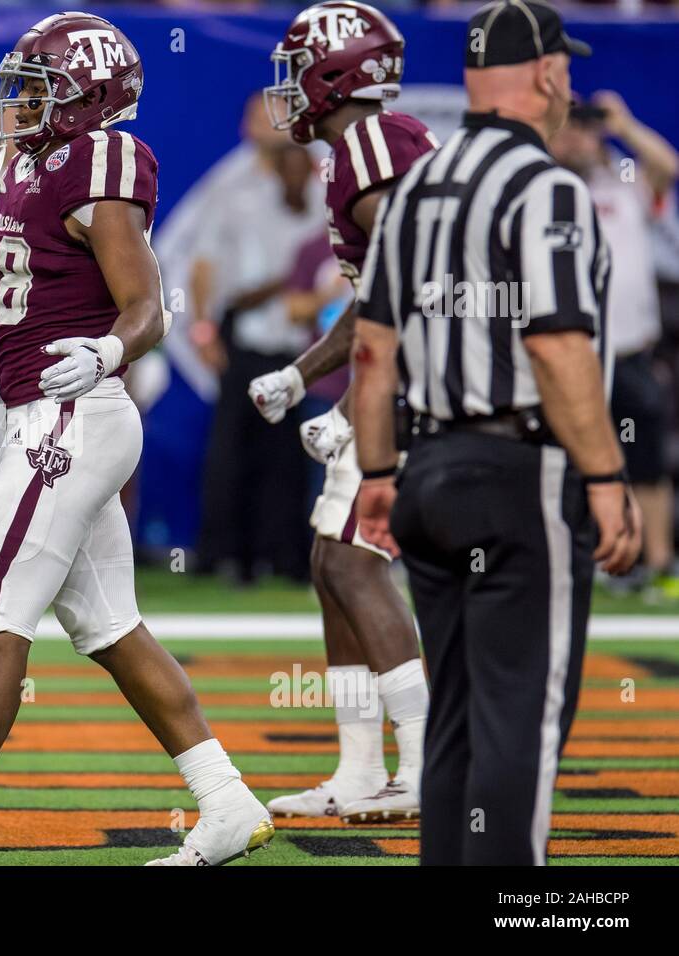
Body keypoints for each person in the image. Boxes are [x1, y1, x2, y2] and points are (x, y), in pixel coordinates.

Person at [0, 12, 273, 868]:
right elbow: (13, 315)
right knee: (112, 627)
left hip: (73, 416)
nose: (20, 104)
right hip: (52, 415)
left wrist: (110, 347)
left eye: (40, 88)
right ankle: (227, 802)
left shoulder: (100, 160)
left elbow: (147, 304)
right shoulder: (29, 167)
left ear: (92, 96)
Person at [351, 0, 641, 865]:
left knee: (458, 720)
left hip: (426, 468)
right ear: (548, 73)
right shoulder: (549, 187)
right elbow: (555, 345)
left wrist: (378, 472)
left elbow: (371, 351)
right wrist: (604, 475)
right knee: (522, 719)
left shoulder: (412, 193)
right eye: (568, 71)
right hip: (520, 474)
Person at [249, 1, 435, 824]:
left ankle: (430, 766)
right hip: (402, 375)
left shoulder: (369, 147)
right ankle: (361, 769)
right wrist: (299, 373)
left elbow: (413, 291)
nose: (287, 92)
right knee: (332, 564)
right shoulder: (364, 148)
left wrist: (365, 411)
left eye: (297, 72)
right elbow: (373, 298)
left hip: (418, 383)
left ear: (334, 73)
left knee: (357, 564)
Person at [550, 93, 679, 592]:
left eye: (585, 128)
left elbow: (667, 166)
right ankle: (590, 562)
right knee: (576, 460)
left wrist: (623, 125)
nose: (576, 137)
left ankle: (658, 563)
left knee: (644, 459)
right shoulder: (551, 188)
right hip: (572, 352)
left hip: (629, 350)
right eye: (567, 128)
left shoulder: (622, 182)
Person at [190, 112, 325, 585]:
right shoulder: (236, 194)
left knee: (289, 457)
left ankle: (288, 557)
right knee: (232, 452)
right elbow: (205, 263)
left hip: (301, 347)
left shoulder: (323, 205)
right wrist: (204, 327)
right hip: (245, 337)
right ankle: (227, 557)